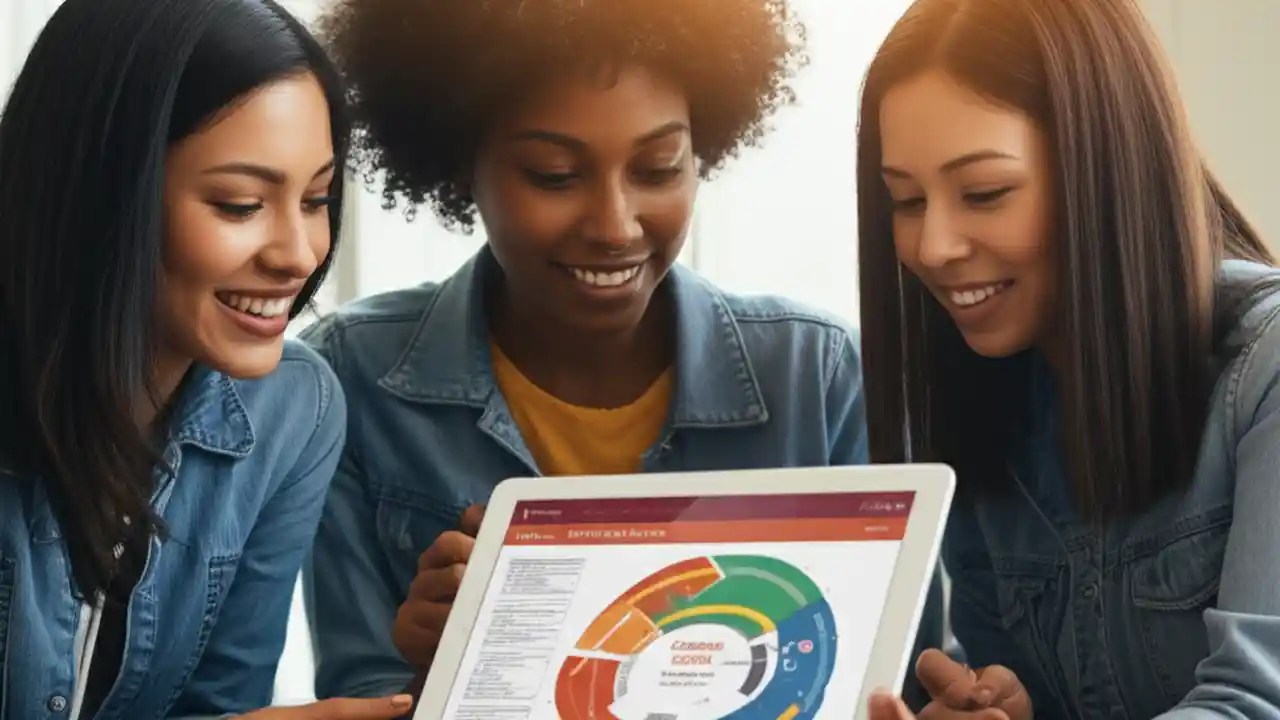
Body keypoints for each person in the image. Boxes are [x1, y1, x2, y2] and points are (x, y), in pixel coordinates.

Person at [299, 0, 942, 705]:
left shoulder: (818, 378)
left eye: (659, 167)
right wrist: (432, 669)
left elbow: (901, 683)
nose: (615, 225)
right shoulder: (352, 378)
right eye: (553, 175)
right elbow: (360, 691)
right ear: (461, 165)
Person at [854, 0, 1280, 719]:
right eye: (905, 200)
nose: (933, 248)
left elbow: (1255, 702)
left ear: (1109, 169)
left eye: (984, 193)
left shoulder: (1262, 372)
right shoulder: (980, 393)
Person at [0, 0, 413, 717]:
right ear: (101, 191)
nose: (298, 254)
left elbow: (217, 704)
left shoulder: (294, 410)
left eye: (318, 198)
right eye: (240, 203)